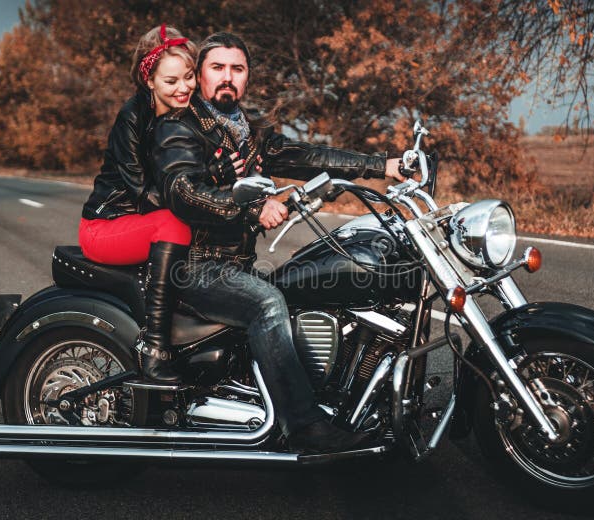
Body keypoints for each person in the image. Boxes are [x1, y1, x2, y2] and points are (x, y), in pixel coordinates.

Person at [148, 32, 406, 453]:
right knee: (269, 303)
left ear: (247, 77)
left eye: (237, 69)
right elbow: (182, 190)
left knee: (310, 282)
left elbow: (306, 156)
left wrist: (383, 166)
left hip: (232, 264)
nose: (227, 77)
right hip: (196, 267)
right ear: (199, 74)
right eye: (218, 68)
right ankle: (304, 426)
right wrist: (252, 209)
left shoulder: (247, 131)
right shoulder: (179, 127)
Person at [79, 25, 244, 383]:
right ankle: (155, 349)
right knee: (176, 222)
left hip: (141, 225)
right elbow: (144, 193)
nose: (183, 88)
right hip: (106, 225)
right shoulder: (133, 117)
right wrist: (205, 193)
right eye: (171, 82)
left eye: (188, 77)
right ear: (149, 81)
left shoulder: (189, 116)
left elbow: (195, 174)